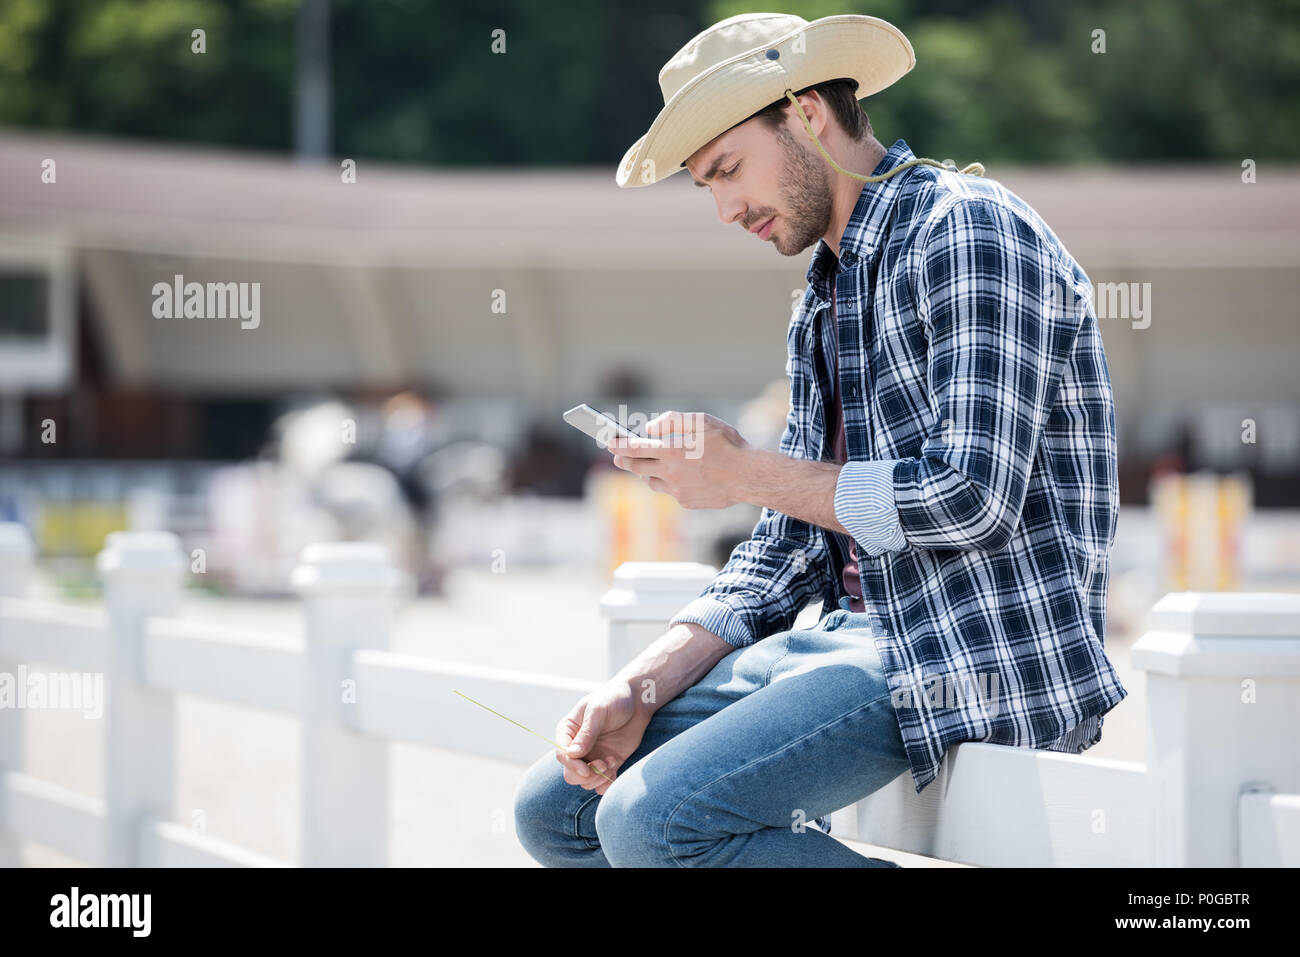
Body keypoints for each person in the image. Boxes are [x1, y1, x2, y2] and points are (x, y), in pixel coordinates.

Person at [513, 11, 1127, 867]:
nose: (725, 208)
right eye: (706, 186)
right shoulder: (825, 293)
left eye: (728, 170)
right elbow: (787, 546)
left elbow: (973, 497)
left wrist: (743, 473)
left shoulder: (967, 230)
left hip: (960, 649)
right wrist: (642, 679)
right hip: (840, 640)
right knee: (556, 811)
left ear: (806, 114)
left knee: (651, 822)